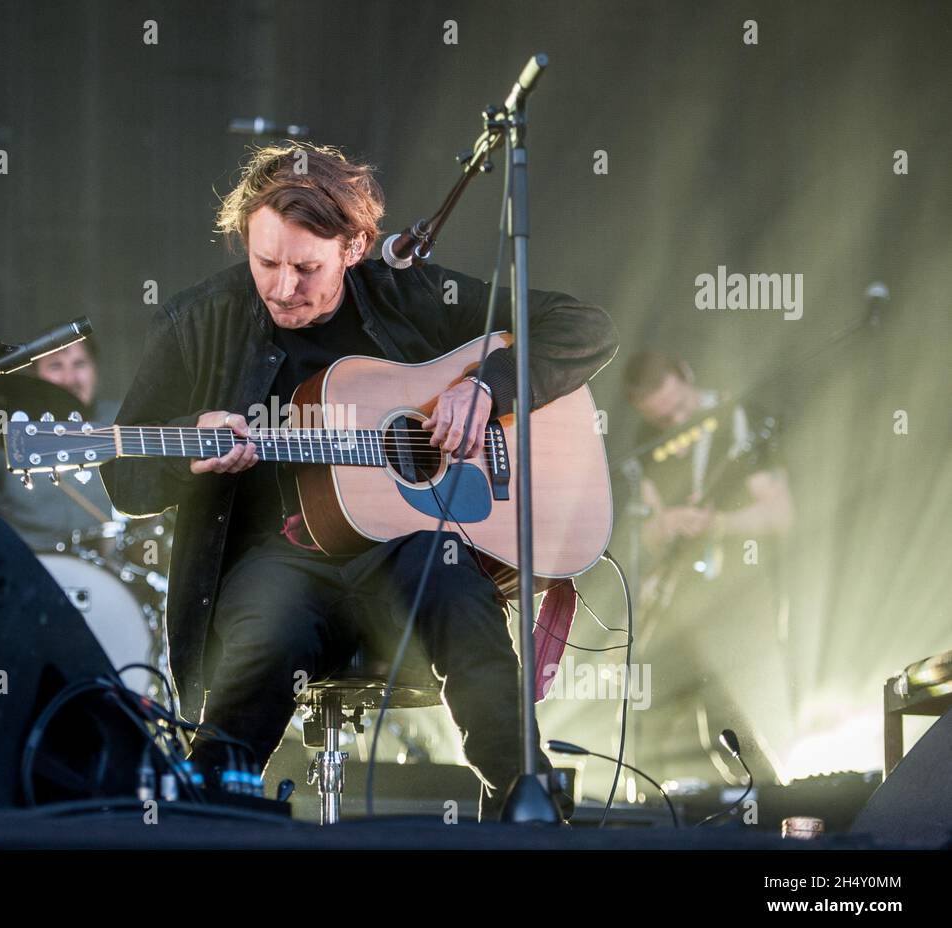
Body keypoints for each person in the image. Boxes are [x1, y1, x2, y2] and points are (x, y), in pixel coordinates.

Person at [101, 143, 618, 820]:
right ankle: (207, 815)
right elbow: (123, 481)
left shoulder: (407, 295)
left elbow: (584, 328)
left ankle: (526, 803)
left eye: (306, 267)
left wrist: (490, 390)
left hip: (405, 560)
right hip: (276, 567)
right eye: (266, 263)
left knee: (458, 592)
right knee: (264, 634)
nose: (284, 287)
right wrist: (185, 454)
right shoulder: (198, 323)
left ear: (355, 246)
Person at [622, 350, 794, 784]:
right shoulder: (648, 440)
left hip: (737, 599)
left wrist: (718, 525)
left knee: (731, 722)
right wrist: (665, 526)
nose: (675, 419)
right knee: (648, 717)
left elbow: (781, 515)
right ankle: (650, 820)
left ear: (688, 373)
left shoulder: (739, 419)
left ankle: (770, 812)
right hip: (675, 605)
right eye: (663, 417)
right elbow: (645, 532)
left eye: (681, 406)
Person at [0, 341, 118, 551]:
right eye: (56, 366)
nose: (70, 379)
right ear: (35, 376)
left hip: (108, 566)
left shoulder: (119, 422)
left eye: (80, 364)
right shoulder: (2, 429)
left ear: (96, 370)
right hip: (27, 564)